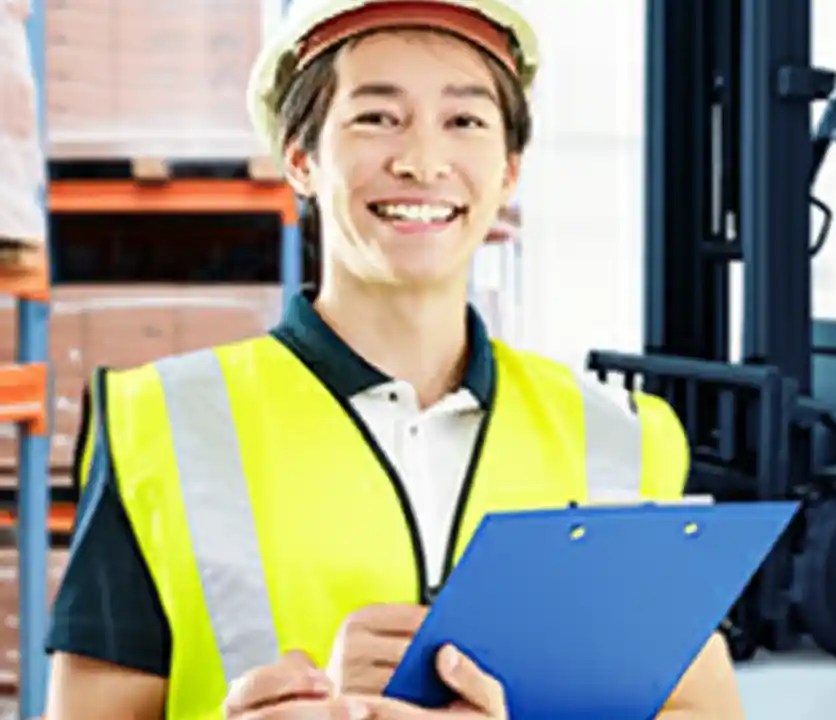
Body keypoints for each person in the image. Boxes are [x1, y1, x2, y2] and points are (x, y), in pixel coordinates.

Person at [41, 0, 746, 718]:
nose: (421, 161)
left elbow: (702, 709)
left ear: (508, 170)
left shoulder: (623, 438)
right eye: (376, 118)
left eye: (464, 121)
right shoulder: (164, 422)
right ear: (301, 158)